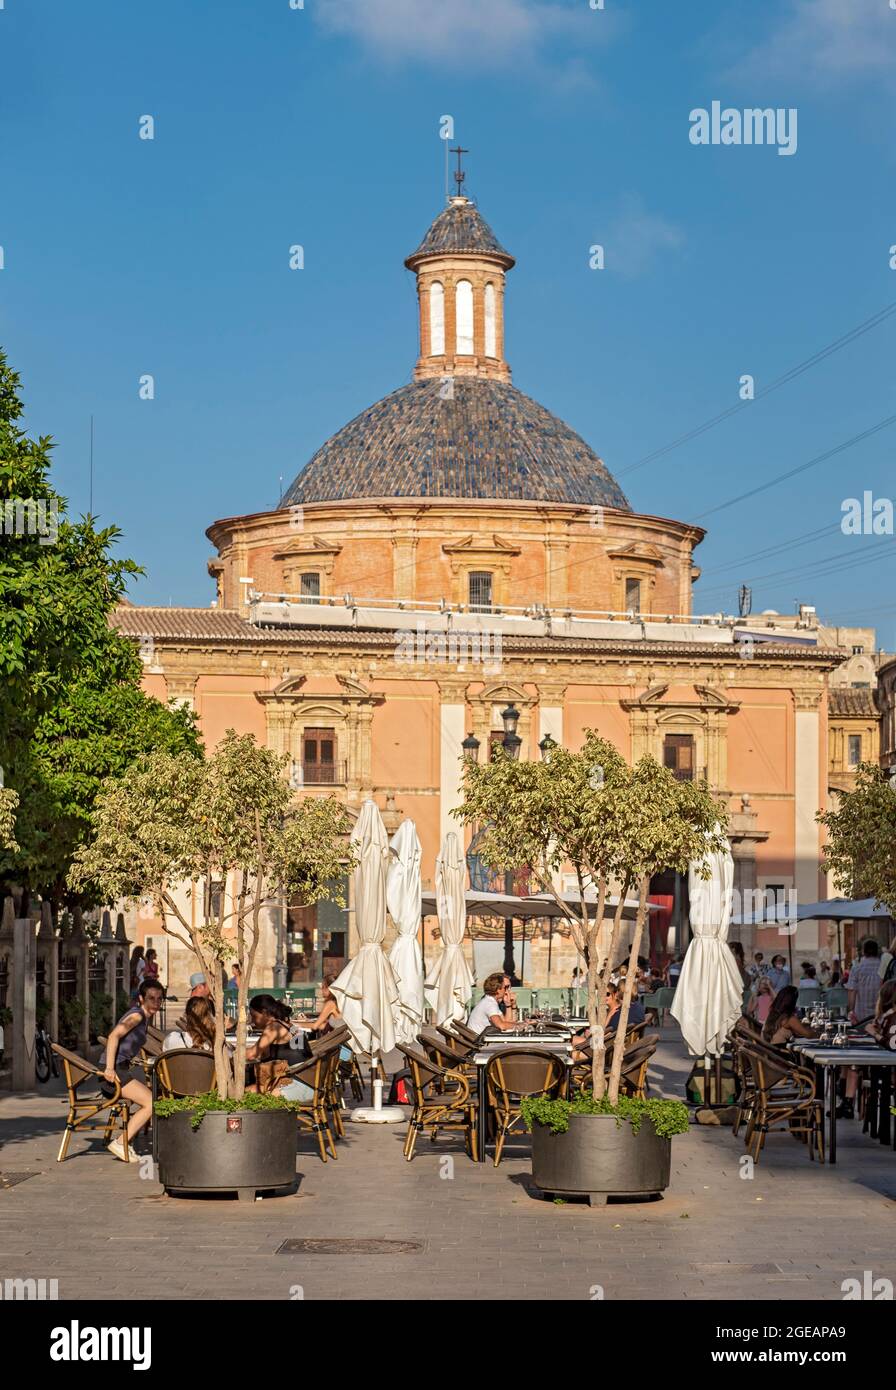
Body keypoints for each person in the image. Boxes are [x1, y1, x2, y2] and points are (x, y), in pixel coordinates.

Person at [101, 978, 164, 1160]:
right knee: (151, 1103)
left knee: (152, 1100)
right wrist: (109, 1069)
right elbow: (113, 1036)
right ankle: (121, 1142)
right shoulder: (137, 1016)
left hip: (122, 1069)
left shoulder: (144, 1018)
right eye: (151, 998)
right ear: (141, 999)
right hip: (114, 1074)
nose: (156, 1003)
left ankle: (125, 1141)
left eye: (159, 999)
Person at [245, 994, 313, 1101]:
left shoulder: (274, 1027)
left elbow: (252, 1054)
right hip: (310, 1082)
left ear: (264, 1012)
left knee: (246, 1092)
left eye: (254, 1016)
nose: (253, 1021)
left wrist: (231, 1052)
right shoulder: (288, 1025)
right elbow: (265, 1055)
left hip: (299, 1087)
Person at [848, 940, 882, 1025]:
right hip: (879, 1015)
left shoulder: (856, 968)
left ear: (863, 951)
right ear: (877, 951)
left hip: (861, 1016)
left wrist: (851, 1011)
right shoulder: (884, 967)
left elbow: (852, 991)